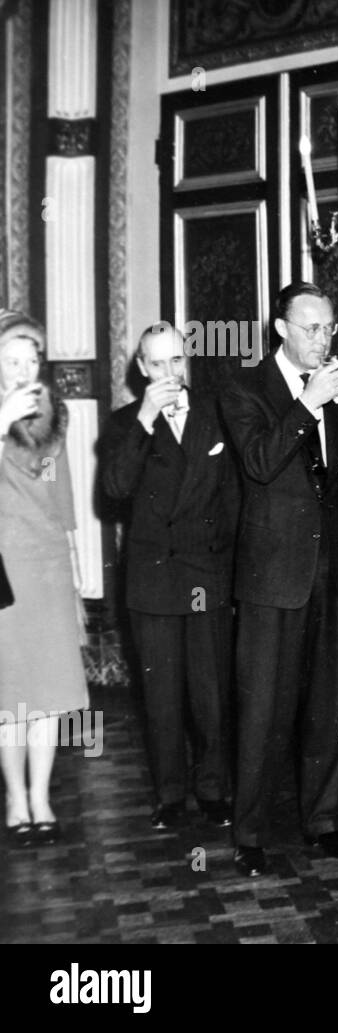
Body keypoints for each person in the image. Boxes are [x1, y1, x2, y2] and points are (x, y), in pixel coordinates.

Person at [220, 282, 338, 877]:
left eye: (329, 328)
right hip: (271, 577)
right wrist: (308, 404)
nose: (324, 339)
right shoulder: (245, 387)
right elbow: (261, 463)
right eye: (311, 328)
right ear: (281, 329)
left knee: (327, 705)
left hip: (332, 575)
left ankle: (323, 822)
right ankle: (250, 832)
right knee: (261, 708)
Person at [99, 322, 240, 830]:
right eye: (157, 364)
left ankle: (213, 789)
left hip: (206, 574)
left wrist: (226, 567)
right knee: (160, 698)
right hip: (154, 579)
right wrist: (145, 418)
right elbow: (113, 490)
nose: (169, 373)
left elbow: (233, 498)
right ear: (141, 369)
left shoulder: (218, 414)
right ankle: (170, 796)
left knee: (210, 692)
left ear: (187, 359)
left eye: (176, 361)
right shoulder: (123, 424)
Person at [0, 310, 88, 846]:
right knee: (9, 696)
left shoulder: (52, 416)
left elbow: (60, 496)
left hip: (49, 567)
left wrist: (75, 580)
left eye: (30, 359)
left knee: (49, 697)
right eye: (11, 360)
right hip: (3, 571)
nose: (23, 368)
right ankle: (14, 798)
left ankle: (41, 797)